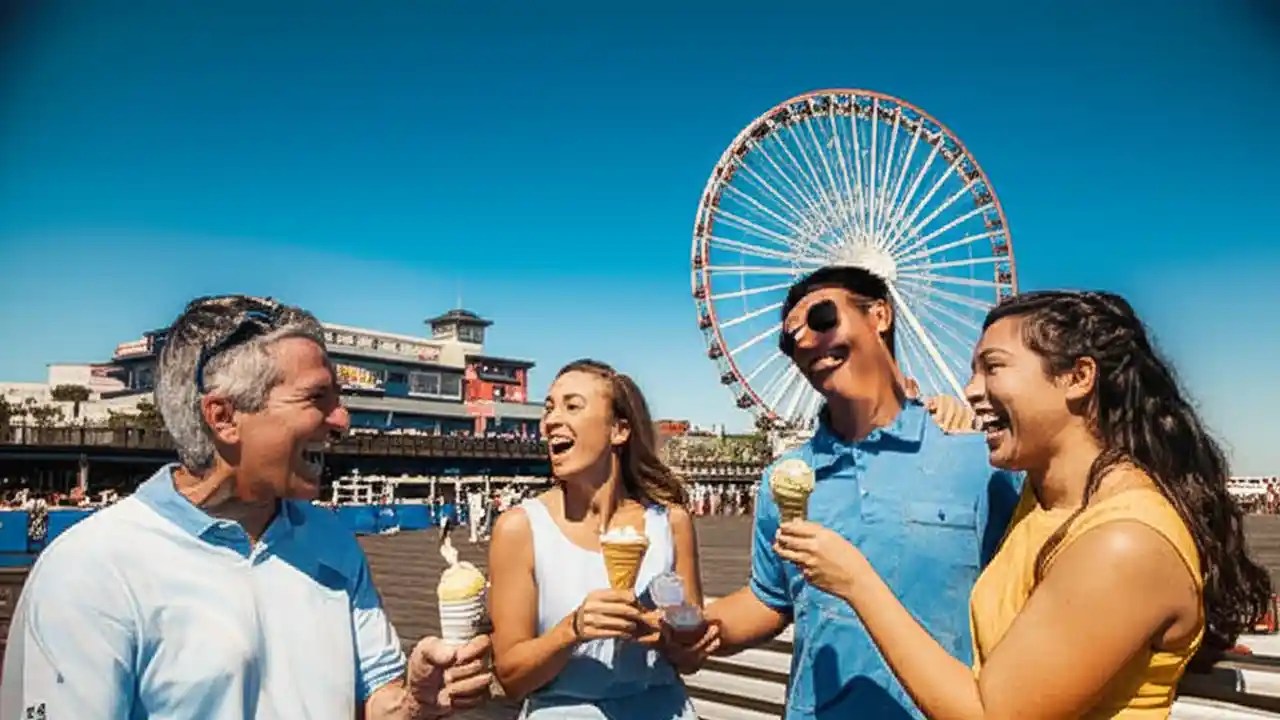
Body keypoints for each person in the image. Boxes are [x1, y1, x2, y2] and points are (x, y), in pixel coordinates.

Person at [775, 290, 1273, 718]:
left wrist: (856, 582)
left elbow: (989, 715)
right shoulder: (1046, 499)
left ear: (1079, 377)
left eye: (993, 368)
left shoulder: (1122, 542)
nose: (970, 391)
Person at [0, 295, 493, 719]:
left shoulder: (332, 542)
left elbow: (374, 699)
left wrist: (414, 701)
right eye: (317, 398)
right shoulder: (91, 568)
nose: (340, 419)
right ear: (224, 417)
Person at [670, 266, 1022, 720]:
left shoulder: (981, 462)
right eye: (788, 340)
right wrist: (705, 628)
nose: (804, 342)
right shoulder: (785, 477)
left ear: (880, 315)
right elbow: (770, 599)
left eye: (821, 319)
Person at [488, 359, 700, 719]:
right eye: (549, 407)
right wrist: (572, 630)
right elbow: (511, 678)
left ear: (618, 430)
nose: (552, 420)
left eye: (572, 406)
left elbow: (691, 657)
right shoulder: (520, 528)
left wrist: (672, 635)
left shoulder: (671, 522)